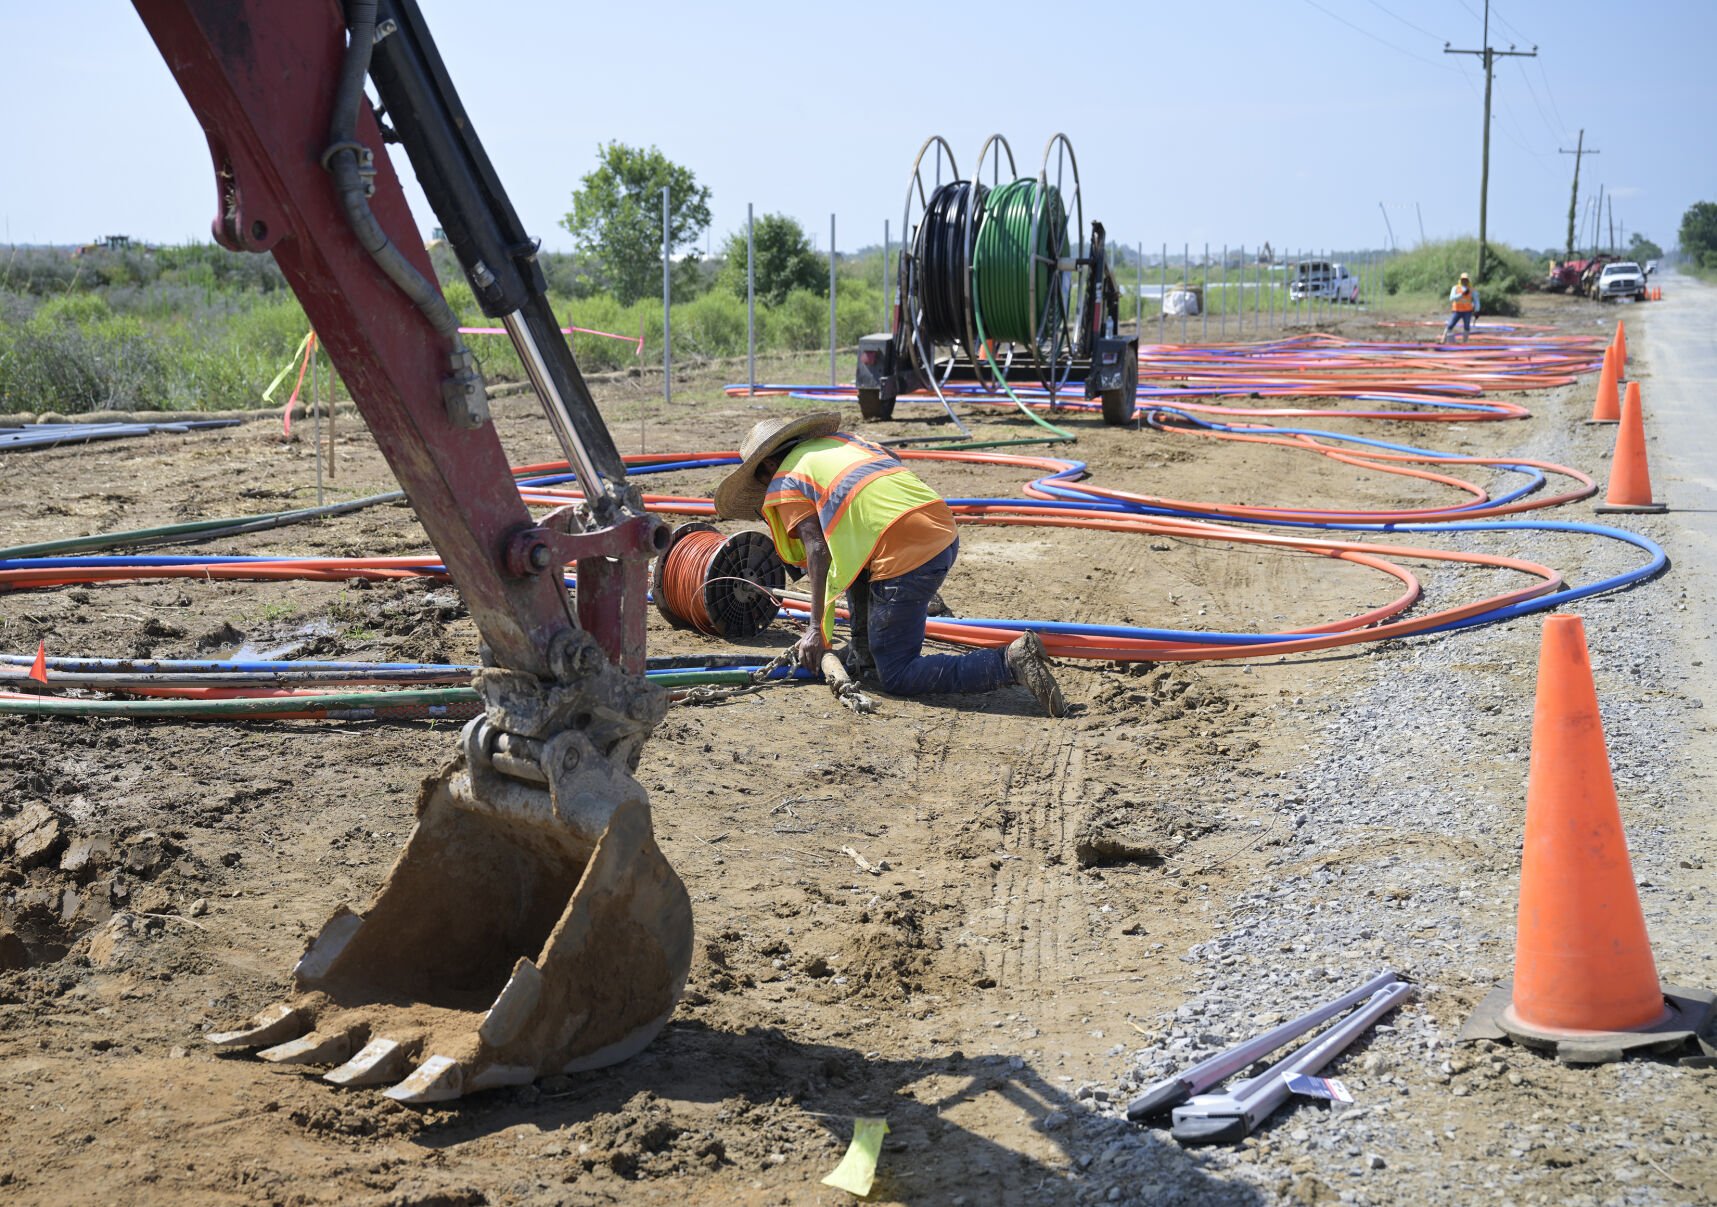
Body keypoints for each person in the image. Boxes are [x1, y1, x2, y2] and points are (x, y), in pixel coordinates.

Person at [712, 412, 1065, 716]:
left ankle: (1009, 662)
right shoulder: (846, 444)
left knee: (898, 675)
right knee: (860, 573)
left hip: (904, 551)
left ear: (768, 465)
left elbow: (817, 550)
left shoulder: (785, 479)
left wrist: (815, 630)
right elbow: (853, 533)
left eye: (760, 485)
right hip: (939, 529)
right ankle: (866, 654)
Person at [1441, 271, 1479, 344]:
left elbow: (1476, 300)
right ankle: (1443, 340)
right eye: (1463, 279)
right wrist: (1462, 294)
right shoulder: (1455, 288)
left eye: (1466, 279)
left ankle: (1465, 342)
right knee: (1450, 325)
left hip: (1467, 311)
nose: (1464, 281)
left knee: (1467, 327)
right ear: (1460, 280)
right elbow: (1451, 298)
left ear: (1468, 280)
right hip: (1457, 311)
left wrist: (1477, 310)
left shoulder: (1472, 289)